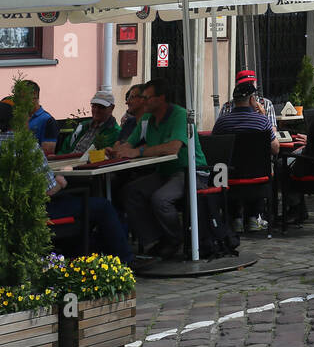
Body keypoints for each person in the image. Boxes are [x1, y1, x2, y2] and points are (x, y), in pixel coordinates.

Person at [0, 97, 133, 263]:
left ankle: (83, 255)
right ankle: (125, 261)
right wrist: (61, 180)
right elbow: (48, 191)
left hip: (12, 210)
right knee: (103, 206)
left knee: (81, 203)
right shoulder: (28, 146)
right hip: (39, 210)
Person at [112, 78, 208, 260]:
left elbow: (173, 148)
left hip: (190, 172)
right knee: (130, 192)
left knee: (160, 199)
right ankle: (155, 240)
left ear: (161, 98)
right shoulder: (147, 119)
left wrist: (138, 151)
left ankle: (174, 240)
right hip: (165, 171)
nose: (143, 102)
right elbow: (128, 144)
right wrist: (116, 150)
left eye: (147, 98)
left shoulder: (180, 115)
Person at [213, 80, 280, 232]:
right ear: (251, 100)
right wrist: (264, 116)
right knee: (263, 166)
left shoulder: (222, 122)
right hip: (257, 177)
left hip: (229, 176)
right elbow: (275, 149)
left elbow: (215, 148)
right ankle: (253, 217)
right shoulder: (262, 121)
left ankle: (235, 218)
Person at [66, 90, 121, 154]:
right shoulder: (82, 126)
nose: (96, 110)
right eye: (94, 106)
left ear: (112, 108)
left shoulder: (115, 133)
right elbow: (65, 148)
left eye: (101, 107)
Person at [17, 80, 59, 153]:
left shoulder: (48, 120)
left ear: (34, 95)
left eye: (21, 97)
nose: (18, 101)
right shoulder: (19, 117)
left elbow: (47, 153)